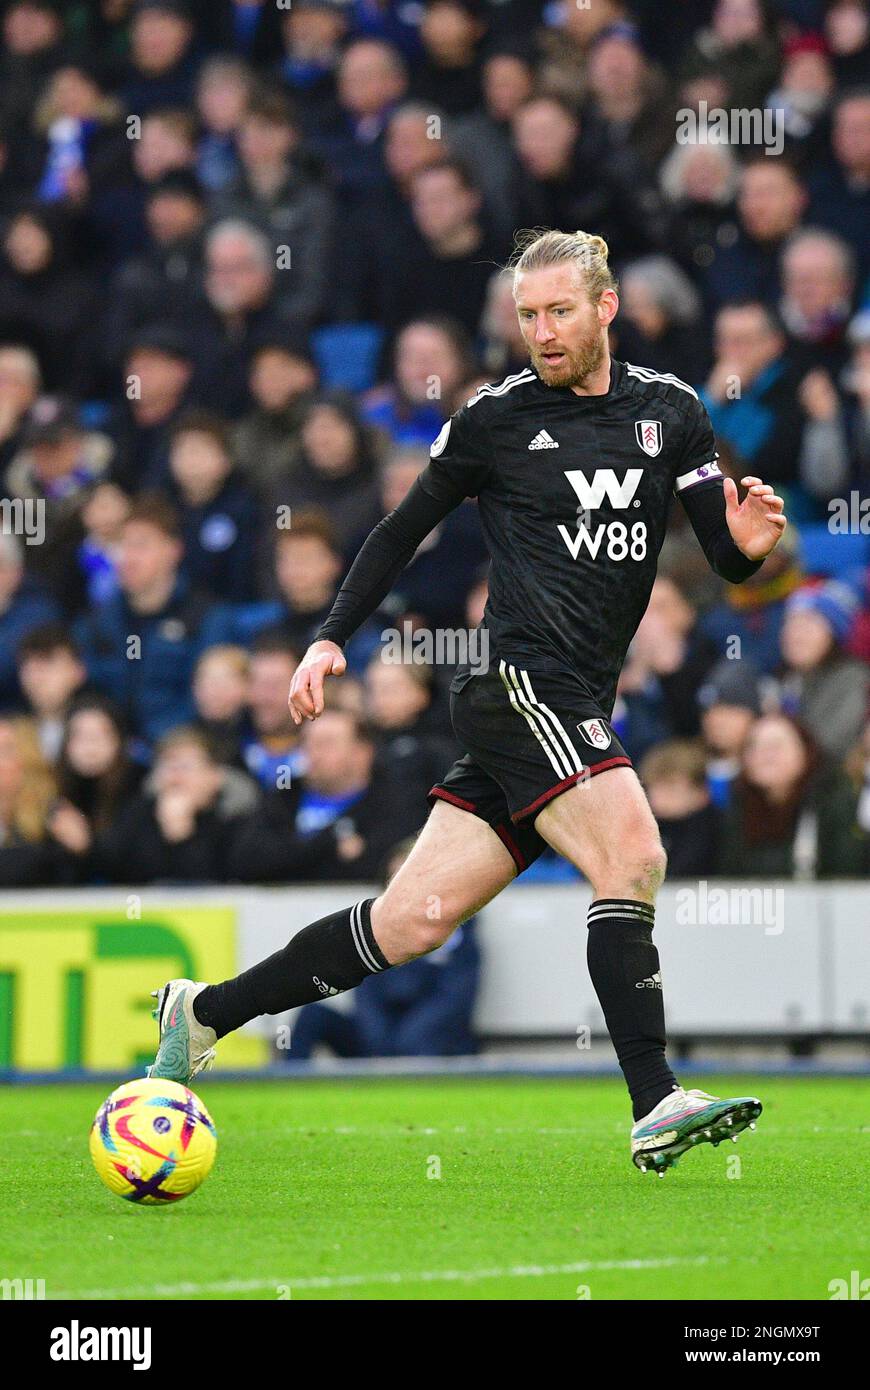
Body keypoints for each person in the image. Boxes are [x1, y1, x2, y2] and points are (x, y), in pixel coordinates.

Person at [147, 226, 787, 1175]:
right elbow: (399, 532)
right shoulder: (497, 418)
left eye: (560, 311)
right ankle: (655, 1101)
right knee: (635, 852)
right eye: (527, 315)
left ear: (605, 308)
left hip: (570, 700)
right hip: (519, 685)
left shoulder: (673, 412)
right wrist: (328, 637)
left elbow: (726, 558)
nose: (543, 331)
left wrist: (749, 545)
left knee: (412, 922)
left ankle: (205, 1013)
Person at [717, 713, 866, 878]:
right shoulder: (739, 805)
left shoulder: (834, 801)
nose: (763, 756)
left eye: (775, 746)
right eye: (753, 746)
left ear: (805, 752)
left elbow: (847, 873)